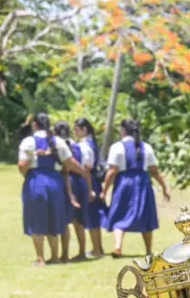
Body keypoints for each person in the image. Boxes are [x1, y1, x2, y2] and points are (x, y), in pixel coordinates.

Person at [19, 112, 88, 266]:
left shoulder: (28, 142)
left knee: (36, 218)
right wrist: (83, 173)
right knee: (54, 217)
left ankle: (40, 258)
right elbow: (69, 163)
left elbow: (22, 165)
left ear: (35, 125)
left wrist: (29, 175)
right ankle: (55, 256)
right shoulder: (57, 141)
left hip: (36, 180)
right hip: (55, 181)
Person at [101, 117, 170, 258]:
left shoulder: (117, 147)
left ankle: (117, 247)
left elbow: (112, 171)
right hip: (142, 182)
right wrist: (164, 187)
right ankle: (148, 250)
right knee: (145, 214)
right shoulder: (146, 147)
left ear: (123, 130)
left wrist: (104, 190)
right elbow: (154, 170)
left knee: (119, 213)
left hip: (124, 183)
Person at [70, 117, 107, 259]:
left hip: (88, 180)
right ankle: (98, 248)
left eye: (77, 130)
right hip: (93, 179)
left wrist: (89, 188)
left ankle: (97, 249)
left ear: (84, 129)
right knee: (93, 214)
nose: (75, 132)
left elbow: (86, 167)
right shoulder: (92, 143)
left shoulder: (84, 145)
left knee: (91, 215)